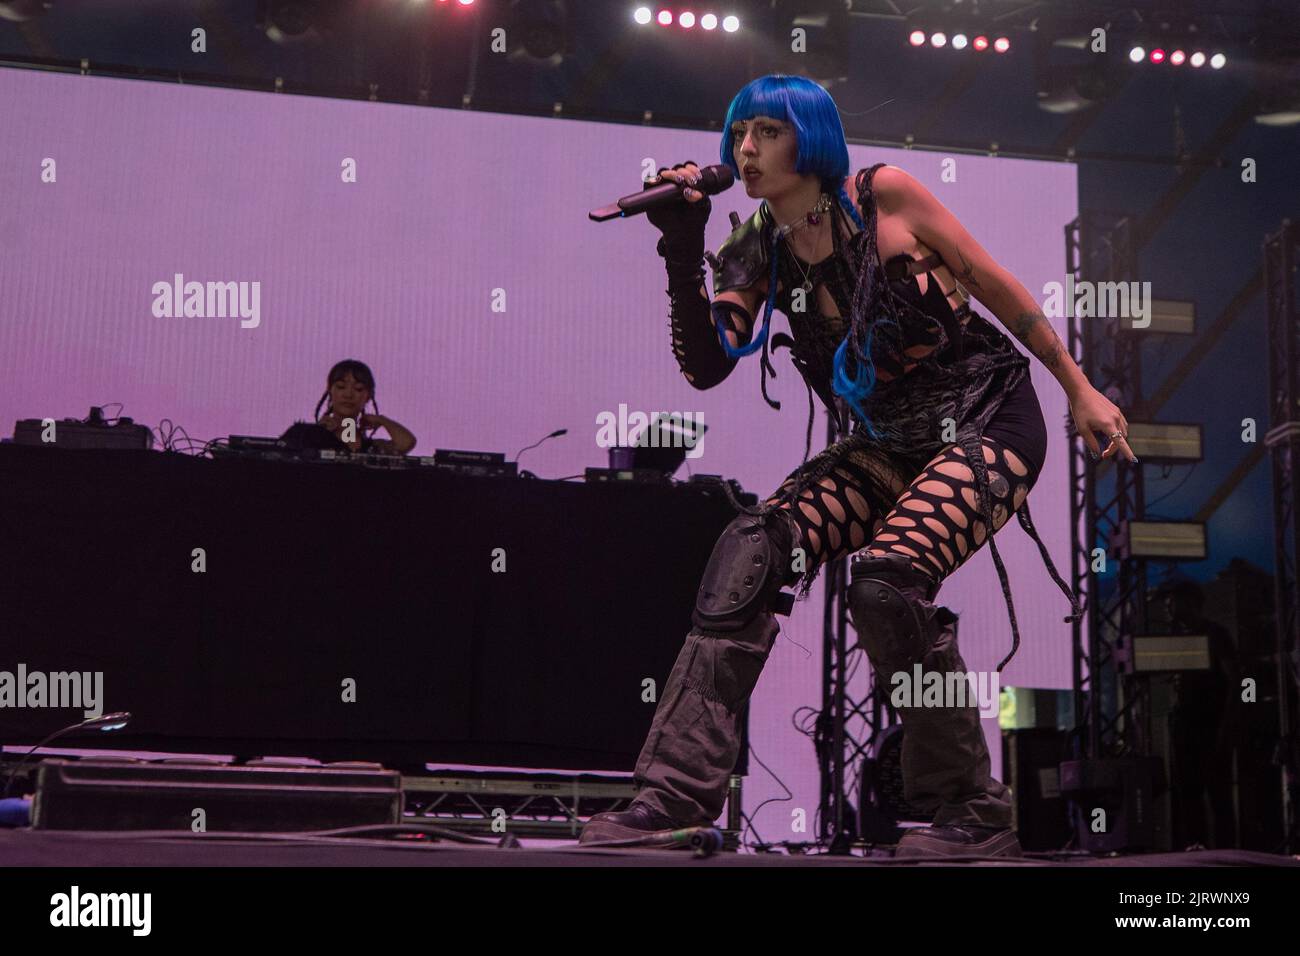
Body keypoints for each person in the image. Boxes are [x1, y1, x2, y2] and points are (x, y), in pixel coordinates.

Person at [580, 74, 1131, 858]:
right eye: (739, 134)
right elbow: (706, 366)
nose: (746, 149)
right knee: (752, 550)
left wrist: (1079, 389)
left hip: (986, 421)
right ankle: (672, 799)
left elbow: (994, 284)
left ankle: (970, 809)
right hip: (883, 443)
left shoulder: (886, 199)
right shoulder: (755, 248)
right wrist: (680, 244)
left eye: (766, 131)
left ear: (810, 138)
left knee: (886, 582)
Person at [1158, 577, 1241, 849]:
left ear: (1190, 602)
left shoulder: (1215, 635)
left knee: (1218, 792)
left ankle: (1226, 853)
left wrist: (1226, 727)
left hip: (1210, 724)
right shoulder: (1176, 638)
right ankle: (1196, 848)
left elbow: (1237, 681)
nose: (1167, 606)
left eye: (1173, 600)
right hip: (1184, 725)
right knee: (1187, 792)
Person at [312, 359, 417, 455]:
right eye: (341, 387)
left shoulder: (372, 447)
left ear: (368, 396)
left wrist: (381, 420)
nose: (348, 395)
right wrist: (318, 432)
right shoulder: (307, 435)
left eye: (358, 389)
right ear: (330, 390)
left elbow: (406, 443)